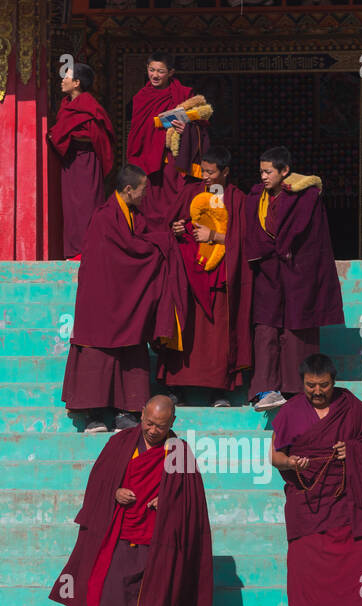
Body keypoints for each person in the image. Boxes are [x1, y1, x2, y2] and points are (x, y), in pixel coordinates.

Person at [49, 396, 213, 606]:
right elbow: (98, 486)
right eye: (148, 423)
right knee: (110, 594)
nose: (152, 430)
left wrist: (169, 500)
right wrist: (115, 492)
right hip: (120, 536)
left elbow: (193, 504)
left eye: (160, 426)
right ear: (142, 415)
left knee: (154, 601)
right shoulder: (120, 443)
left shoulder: (179, 452)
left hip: (159, 544)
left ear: (172, 422)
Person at [269, 355, 362, 606]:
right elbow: (275, 457)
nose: (317, 391)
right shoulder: (291, 411)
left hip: (350, 505)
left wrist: (351, 450)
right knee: (309, 569)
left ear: (333, 381)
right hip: (309, 505)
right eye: (311, 386)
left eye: (323, 385)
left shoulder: (352, 407)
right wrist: (292, 461)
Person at [62, 164, 189, 433]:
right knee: (99, 351)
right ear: (128, 189)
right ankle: (94, 415)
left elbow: (143, 237)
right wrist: (156, 250)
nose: (145, 196)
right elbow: (125, 253)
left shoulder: (131, 213)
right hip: (102, 300)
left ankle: (126, 411)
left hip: (125, 298)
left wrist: (166, 238)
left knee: (132, 346)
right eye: (143, 190)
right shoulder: (104, 217)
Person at [244, 147, 344, 412]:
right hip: (267, 273)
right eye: (261, 171)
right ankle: (265, 389)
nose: (263, 177)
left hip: (297, 272)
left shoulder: (305, 197)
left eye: (268, 172)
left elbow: (314, 241)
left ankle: (295, 388)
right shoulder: (256, 196)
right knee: (264, 329)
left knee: (295, 331)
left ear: (284, 171)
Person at [159, 146, 253, 406]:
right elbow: (170, 225)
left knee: (218, 335)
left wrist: (215, 237)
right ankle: (177, 387)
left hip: (221, 276)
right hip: (190, 273)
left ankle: (218, 390)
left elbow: (246, 240)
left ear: (226, 172)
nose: (206, 177)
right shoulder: (190, 192)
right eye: (204, 171)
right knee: (187, 329)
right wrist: (176, 229)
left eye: (212, 172)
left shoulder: (237, 198)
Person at [126, 53, 212, 233]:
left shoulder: (184, 94)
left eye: (161, 71)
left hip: (176, 162)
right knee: (151, 204)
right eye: (151, 70)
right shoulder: (140, 98)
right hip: (151, 162)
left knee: (178, 203)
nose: (155, 75)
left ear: (171, 72)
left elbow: (202, 127)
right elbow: (137, 134)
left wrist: (186, 130)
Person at [47, 62, 114, 260]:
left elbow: (97, 136)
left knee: (87, 207)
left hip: (86, 162)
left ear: (77, 83)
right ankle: (72, 252)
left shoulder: (89, 105)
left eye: (66, 77)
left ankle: (88, 251)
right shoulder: (66, 104)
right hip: (70, 163)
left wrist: (62, 134)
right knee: (71, 209)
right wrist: (61, 135)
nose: (62, 81)